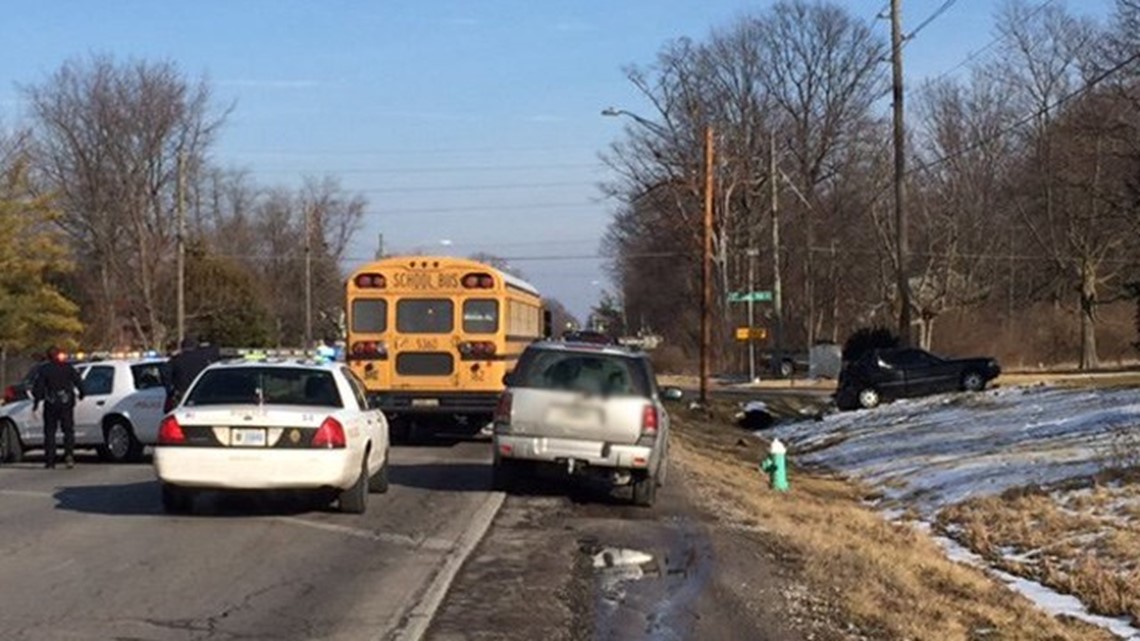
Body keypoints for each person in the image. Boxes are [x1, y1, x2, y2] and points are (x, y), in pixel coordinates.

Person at [32, 347, 84, 469]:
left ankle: (50, 461)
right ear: (59, 355)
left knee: (50, 432)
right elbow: (78, 382)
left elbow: (39, 387)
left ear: (48, 356)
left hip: (51, 403)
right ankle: (69, 455)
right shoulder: (67, 367)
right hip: (66, 402)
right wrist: (82, 393)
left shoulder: (44, 369)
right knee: (68, 431)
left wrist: (36, 402)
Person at [166, 336, 219, 409]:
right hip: (202, 393)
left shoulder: (176, 360)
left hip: (182, 393)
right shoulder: (204, 360)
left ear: (182, 347)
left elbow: (166, 376)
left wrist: (170, 390)